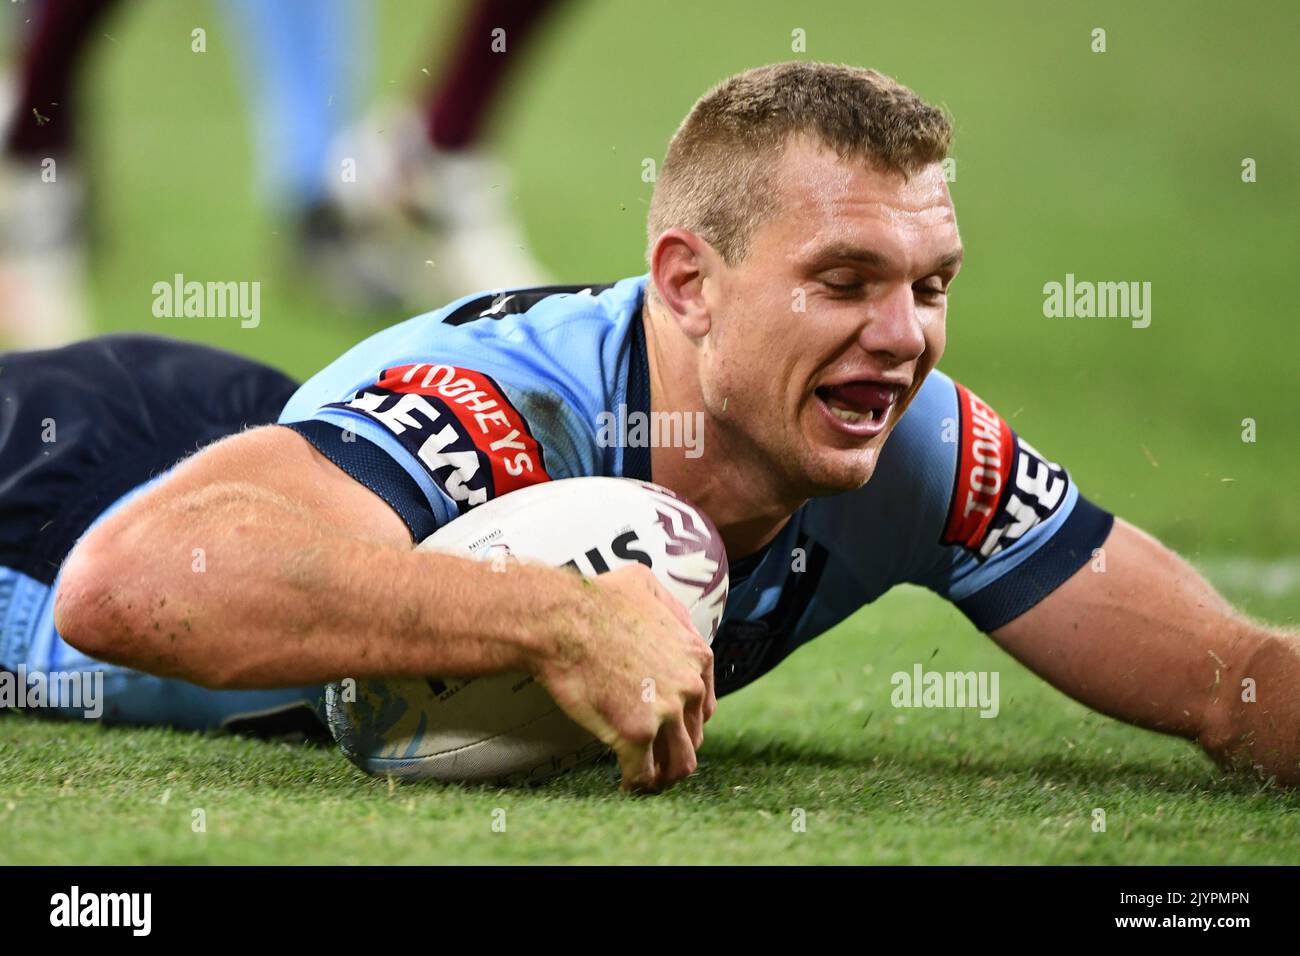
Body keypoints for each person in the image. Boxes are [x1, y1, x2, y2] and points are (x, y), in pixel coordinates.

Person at [5, 63, 1297, 793]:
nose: (903, 335)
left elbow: (1229, 682)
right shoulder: (511, 409)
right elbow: (125, 587)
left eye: (931, 284)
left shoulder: (914, 446)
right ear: (688, 282)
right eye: (844, 282)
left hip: (295, 460)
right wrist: (559, 617)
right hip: (76, 470)